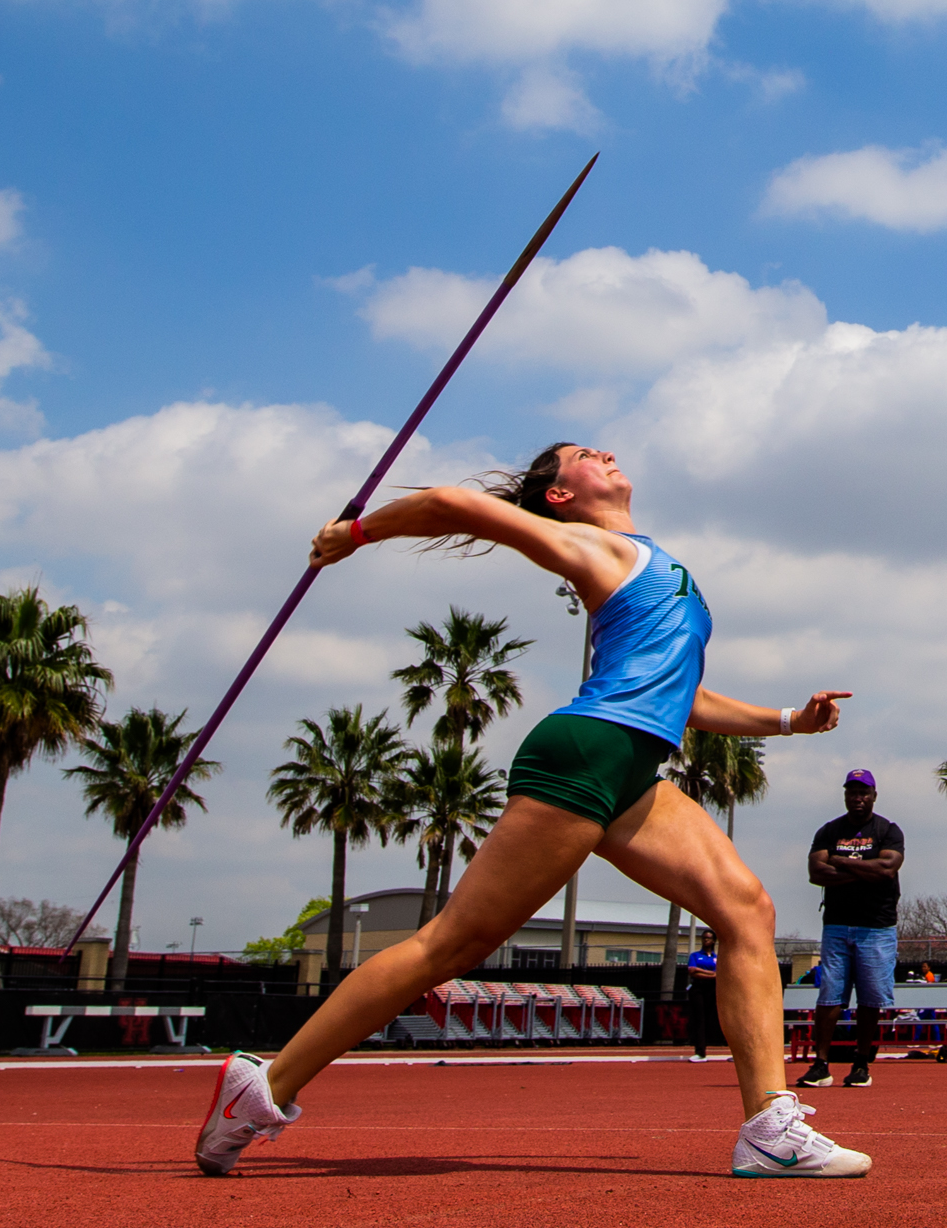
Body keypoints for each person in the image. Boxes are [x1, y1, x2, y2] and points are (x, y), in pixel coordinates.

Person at [194, 443, 870, 1179]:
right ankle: (263, 1085)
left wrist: (786, 720)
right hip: (586, 752)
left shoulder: (648, 561)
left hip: (634, 765)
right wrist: (351, 535)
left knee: (746, 909)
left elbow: (688, 697)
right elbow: (453, 505)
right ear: (558, 496)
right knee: (449, 945)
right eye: (584, 456)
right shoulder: (588, 543)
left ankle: (770, 1127)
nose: (605, 454)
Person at [795, 769, 904, 1090]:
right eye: (852, 793)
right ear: (845, 796)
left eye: (863, 793)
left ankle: (860, 1063)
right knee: (829, 995)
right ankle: (821, 1064)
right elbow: (816, 871)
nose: (857, 798)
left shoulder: (888, 831)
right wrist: (864, 870)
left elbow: (887, 868)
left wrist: (840, 862)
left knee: (870, 997)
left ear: (873, 795)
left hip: (877, 927)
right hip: (837, 926)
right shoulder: (830, 831)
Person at [687, 929, 719, 1061]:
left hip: (713, 989)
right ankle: (700, 1052)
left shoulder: (717, 958)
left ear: (713, 941)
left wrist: (703, 972)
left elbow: (720, 973)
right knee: (699, 1019)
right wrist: (711, 974)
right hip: (698, 988)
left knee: (713, 1019)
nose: (706, 940)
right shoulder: (695, 955)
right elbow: (692, 971)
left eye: (709, 938)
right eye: (704, 938)